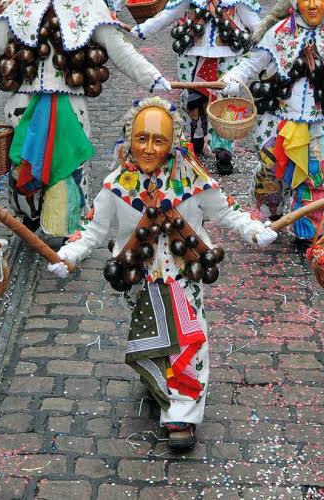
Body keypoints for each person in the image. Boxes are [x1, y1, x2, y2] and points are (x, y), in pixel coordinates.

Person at [48, 96, 276, 450]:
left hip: (186, 278)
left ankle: (182, 412)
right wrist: (67, 255)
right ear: (129, 138)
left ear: (173, 142)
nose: (149, 148)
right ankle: (161, 385)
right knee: (155, 337)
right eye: (142, 138)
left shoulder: (191, 179)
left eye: (158, 140)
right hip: (138, 280)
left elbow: (225, 210)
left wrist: (254, 229)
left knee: (188, 339)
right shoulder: (115, 186)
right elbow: (92, 230)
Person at [0, 0, 168, 241]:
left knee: (68, 175)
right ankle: (28, 219)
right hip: (23, 107)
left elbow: (117, 48)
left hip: (70, 108)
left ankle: (64, 232)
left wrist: (153, 79)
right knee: (21, 172)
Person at [220, 0, 324, 250]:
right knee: (273, 173)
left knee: (313, 177)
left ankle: (305, 232)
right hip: (276, 122)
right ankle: (272, 207)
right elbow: (252, 63)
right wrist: (233, 79)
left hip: (318, 124)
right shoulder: (278, 34)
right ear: (294, 1)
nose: (312, 5)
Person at [133, 0, 262, 175]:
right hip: (192, 53)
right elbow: (169, 13)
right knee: (191, 98)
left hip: (227, 53)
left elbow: (254, 21)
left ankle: (224, 150)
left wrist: (271, 42)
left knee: (223, 99)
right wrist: (142, 29)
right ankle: (196, 132)